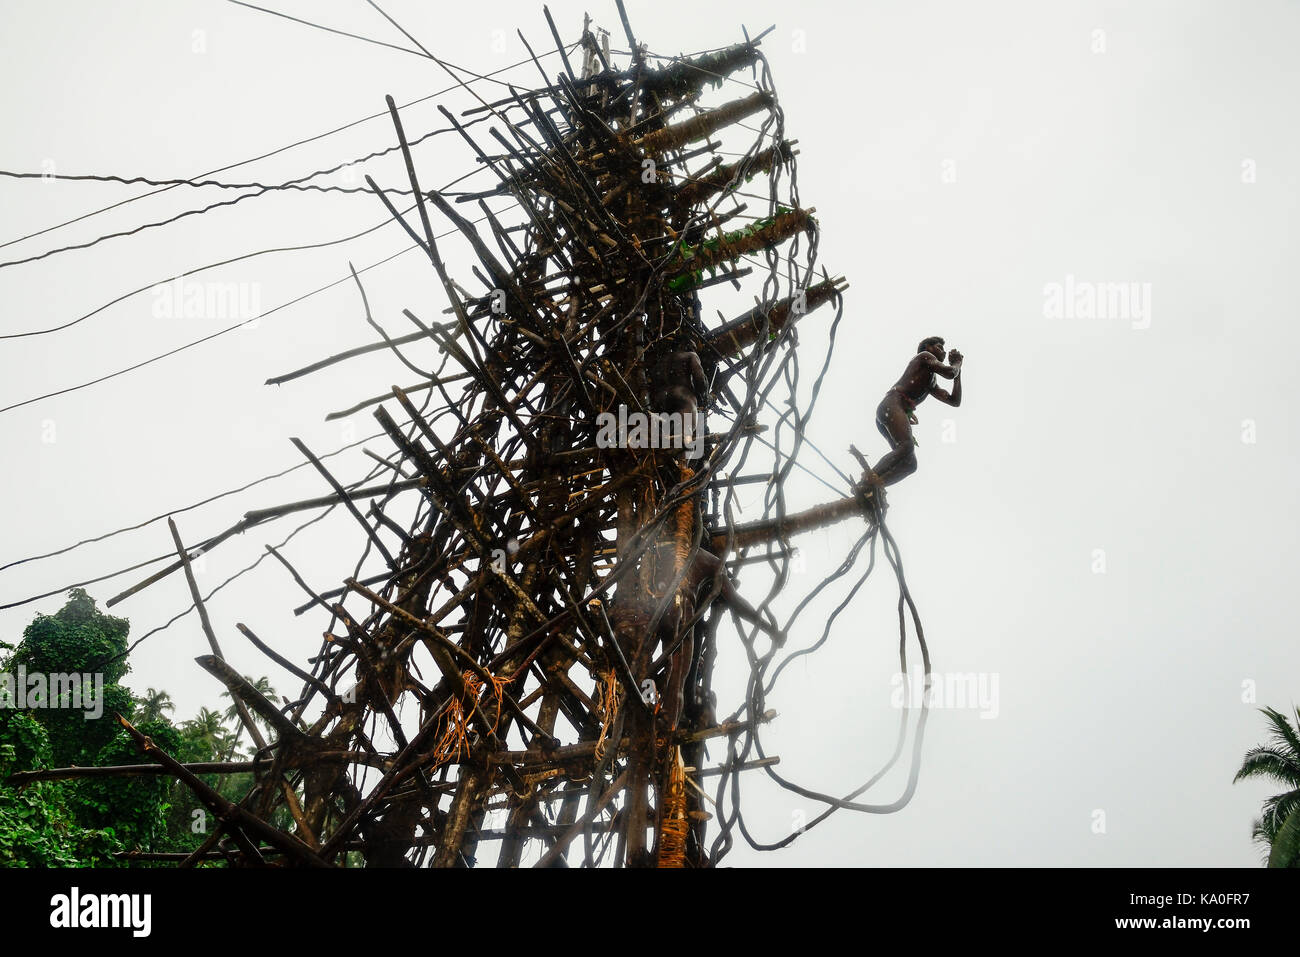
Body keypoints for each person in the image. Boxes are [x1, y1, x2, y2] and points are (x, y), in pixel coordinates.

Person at [867, 336, 963, 490]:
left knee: (910, 464)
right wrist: (957, 365)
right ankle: (867, 481)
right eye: (939, 347)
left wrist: (959, 372)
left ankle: (874, 488)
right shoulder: (925, 357)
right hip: (892, 405)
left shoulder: (931, 382)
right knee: (906, 447)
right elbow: (950, 372)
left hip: (890, 411)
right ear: (928, 348)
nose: (943, 352)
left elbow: (954, 401)